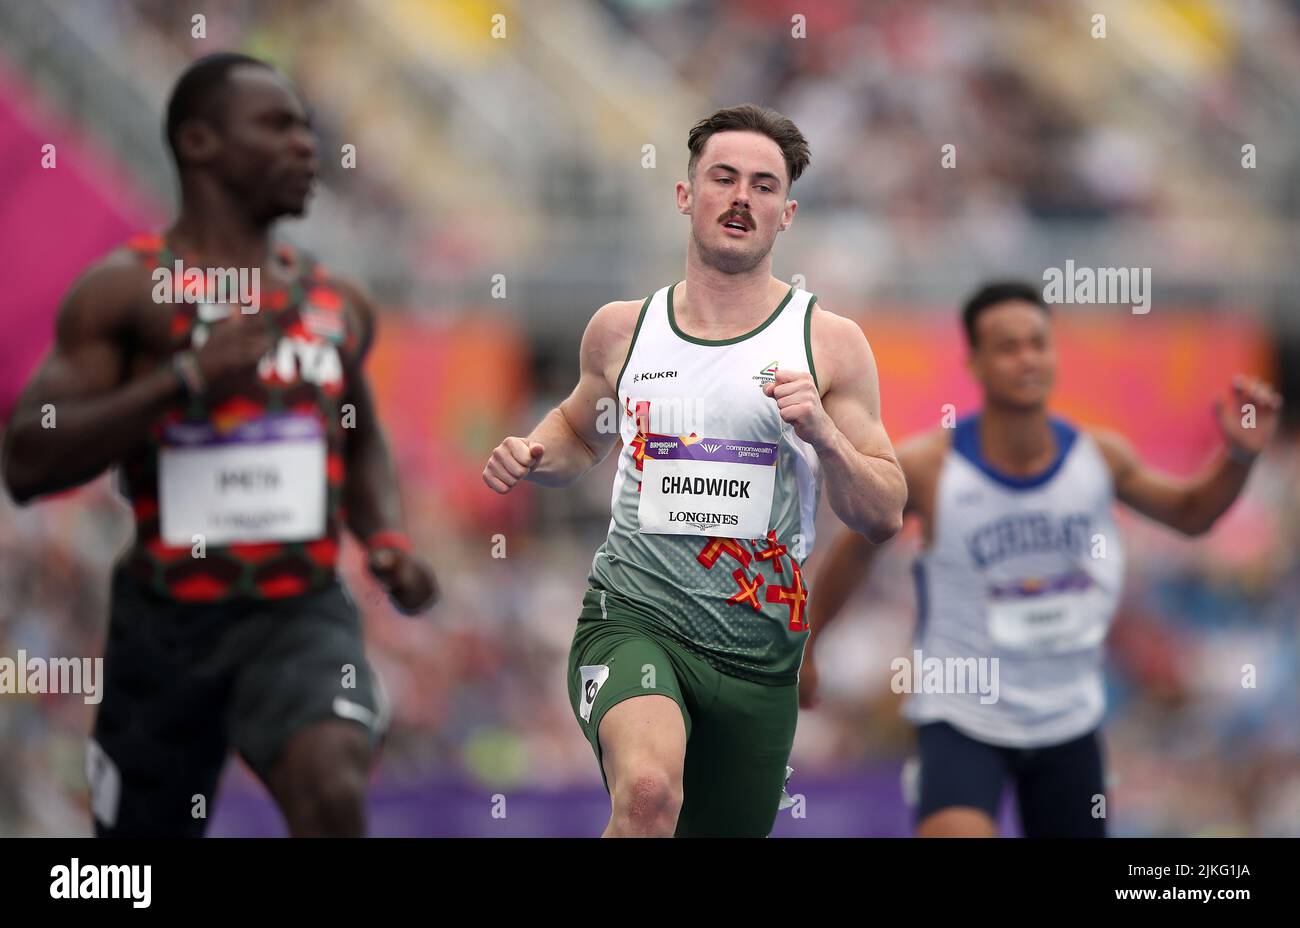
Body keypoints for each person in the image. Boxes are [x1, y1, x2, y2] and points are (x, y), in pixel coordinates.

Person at [0, 52, 438, 837]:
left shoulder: (335, 303)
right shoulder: (128, 291)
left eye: (308, 127)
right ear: (199, 143)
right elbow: (28, 457)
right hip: (165, 624)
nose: (308, 146)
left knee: (331, 784)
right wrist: (186, 380)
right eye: (278, 126)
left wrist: (385, 538)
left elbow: (361, 434)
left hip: (297, 613)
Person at [483, 104, 906, 836]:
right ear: (687, 195)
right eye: (725, 177)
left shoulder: (829, 344)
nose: (743, 197)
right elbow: (580, 434)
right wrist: (533, 454)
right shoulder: (623, 328)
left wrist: (825, 435)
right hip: (635, 619)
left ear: (787, 214)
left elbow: (884, 511)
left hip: (757, 653)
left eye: (764, 186)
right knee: (648, 796)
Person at [801, 280, 1283, 837]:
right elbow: (855, 551)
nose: (1027, 358)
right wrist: (810, 648)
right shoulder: (931, 466)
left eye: (1038, 343)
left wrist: (1240, 457)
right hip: (962, 718)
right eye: (1008, 347)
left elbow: (1192, 514)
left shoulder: (1097, 457)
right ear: (976, 363)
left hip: (1068, 720)